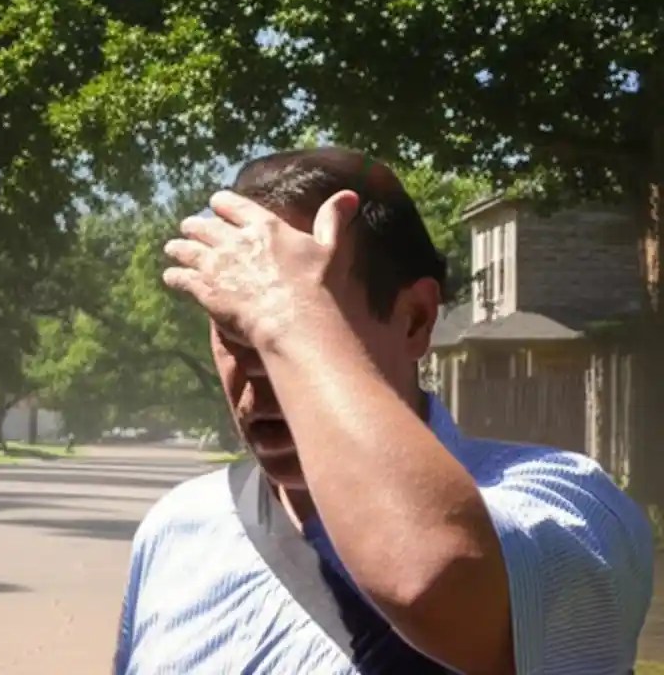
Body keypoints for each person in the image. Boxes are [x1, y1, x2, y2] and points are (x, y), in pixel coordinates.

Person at [113, 147, 654, 674]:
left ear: (417, 320)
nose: (261, 363)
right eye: (233, 327)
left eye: (309, 315)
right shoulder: (178, 527)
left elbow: (432, 577)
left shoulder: (570, 507)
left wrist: (289, 316)